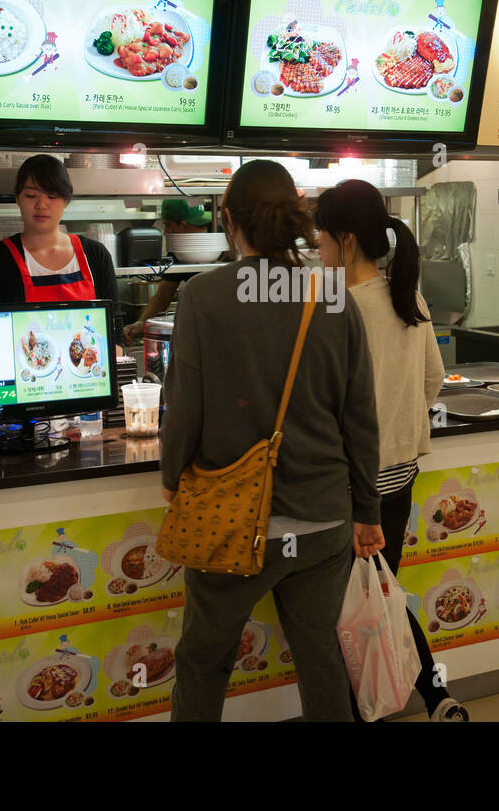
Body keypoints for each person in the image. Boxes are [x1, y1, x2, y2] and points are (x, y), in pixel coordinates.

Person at [160, 160, 383, 722]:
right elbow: (360, 416)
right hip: (324, 521)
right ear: (297, 217)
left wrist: (172, 479)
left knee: (203, 660)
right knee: (322, 659)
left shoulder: (203, 296)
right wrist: (367, 509)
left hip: (233, 523)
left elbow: (183, 408)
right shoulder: (334, 295)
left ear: (229, 220)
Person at [314, 178, 469, 722]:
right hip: (398, 480)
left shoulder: (336, 308)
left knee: (353, 611)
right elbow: (434, 380)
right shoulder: (409, 297)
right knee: (381, 595)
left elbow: (319, 408)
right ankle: (435, 696)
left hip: (349, 490)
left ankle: (372, 708)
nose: (318, 251)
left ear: (346, 240)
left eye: (321, 241)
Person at [0, 154, 123, 347]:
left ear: (66, 200)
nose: (41, 205)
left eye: (52, 196)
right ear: (17, 198)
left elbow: (114, 331)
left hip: (86, 370)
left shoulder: (96, 256)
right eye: (31, 196)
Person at [123, 198, 220, 343]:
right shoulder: (179, 251)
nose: (165, 233)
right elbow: (164, 293)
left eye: (168, 226)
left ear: (183, 225)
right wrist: (142, 323)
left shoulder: (220, 237)